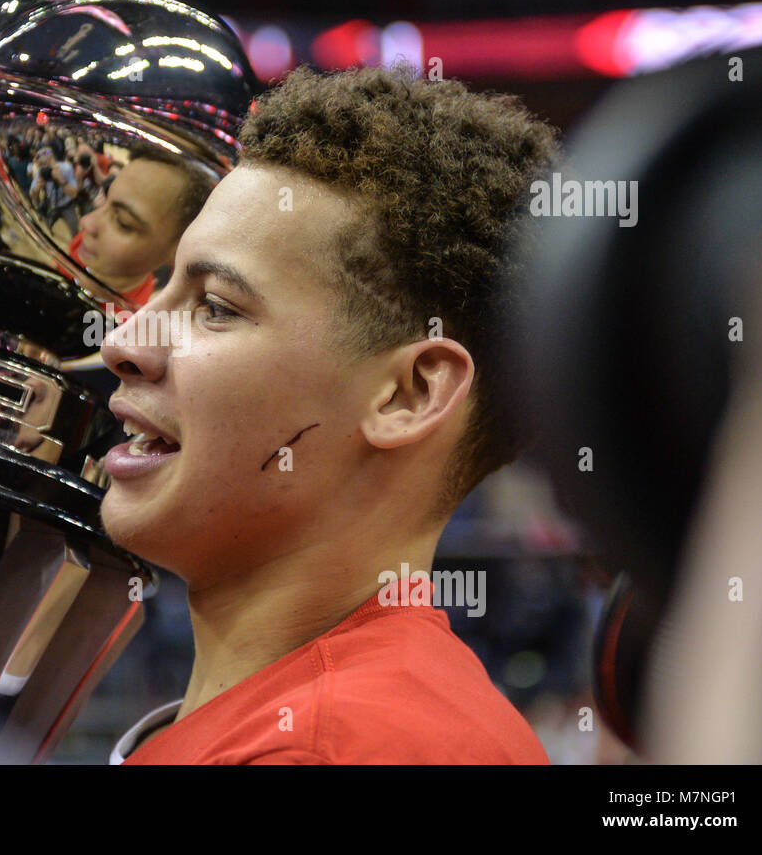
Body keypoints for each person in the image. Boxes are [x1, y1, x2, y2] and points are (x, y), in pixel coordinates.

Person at [101, 64, 559, 764]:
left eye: (216, 307)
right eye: (162, 289)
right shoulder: (322, 721)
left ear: (409, 395)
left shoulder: (341, 745)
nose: (124, 342)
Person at [67, 142, 213, 307]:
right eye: (106, 200)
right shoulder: (83, 247)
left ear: (178, 250)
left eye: (123, 223)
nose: (87, 222)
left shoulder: (128, 328)